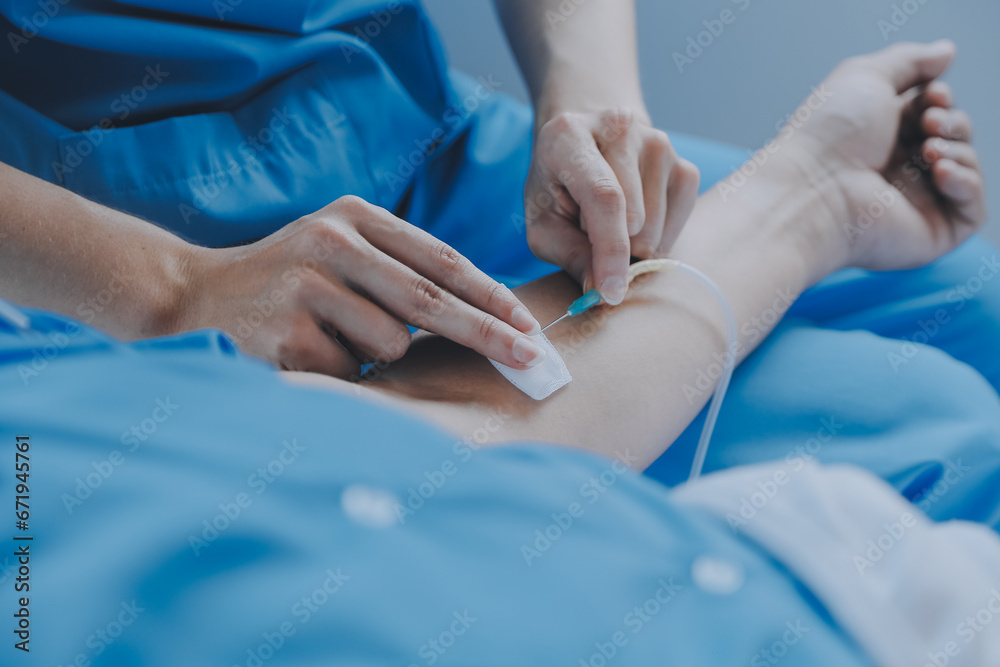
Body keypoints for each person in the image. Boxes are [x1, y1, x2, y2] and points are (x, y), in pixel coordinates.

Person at [2, 39, 999, 667]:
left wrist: (594, 95)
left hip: (392, 118)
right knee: (932, 424)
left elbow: (456, 429)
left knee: (969, 302)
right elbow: (430, 441)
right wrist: (169, 286)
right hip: (87, 217)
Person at [0, 0, 699, 377]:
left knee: (715, 267)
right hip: (85, 255)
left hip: (419, 131)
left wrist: (592, 103)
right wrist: (174, 292)